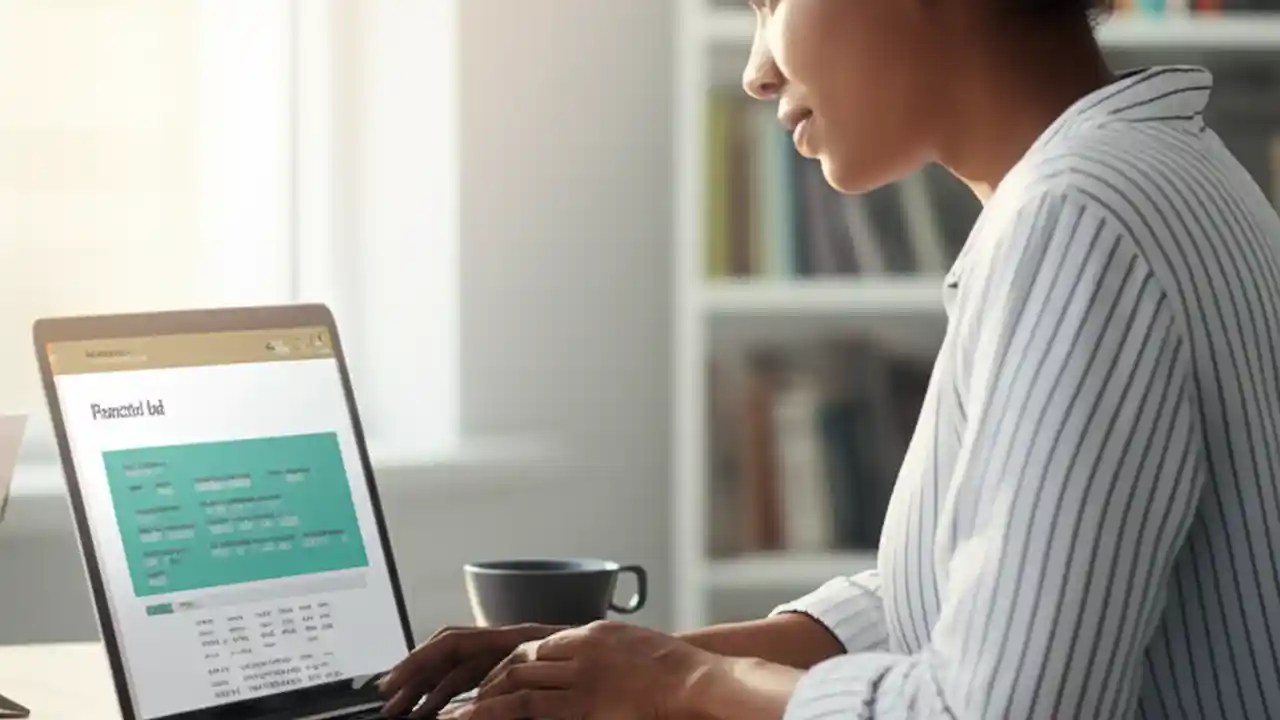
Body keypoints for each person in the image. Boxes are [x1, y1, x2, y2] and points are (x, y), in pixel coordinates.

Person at [379, 0, 1280, 716]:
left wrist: (682, 685)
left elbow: (998, 706)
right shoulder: (1157, 172)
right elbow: (961, 598)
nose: (756, 70)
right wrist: (613, 662)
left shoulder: (1076, 219)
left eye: (771, 3)